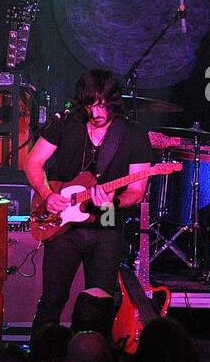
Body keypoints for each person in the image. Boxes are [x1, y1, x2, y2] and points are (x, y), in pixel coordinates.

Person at [23, 70, 153, 334]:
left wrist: (113, 202)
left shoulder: (133, 135)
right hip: (63, 226)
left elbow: (137, 191)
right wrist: (48, 195)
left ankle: (95, 361)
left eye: (102, 105)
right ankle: (41, 361)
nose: (96, 112)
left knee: (99, 304)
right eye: (90, 104)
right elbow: (33, 162)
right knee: (52, 300)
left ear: (113, 103)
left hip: (106, 226)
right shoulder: (65, 123)